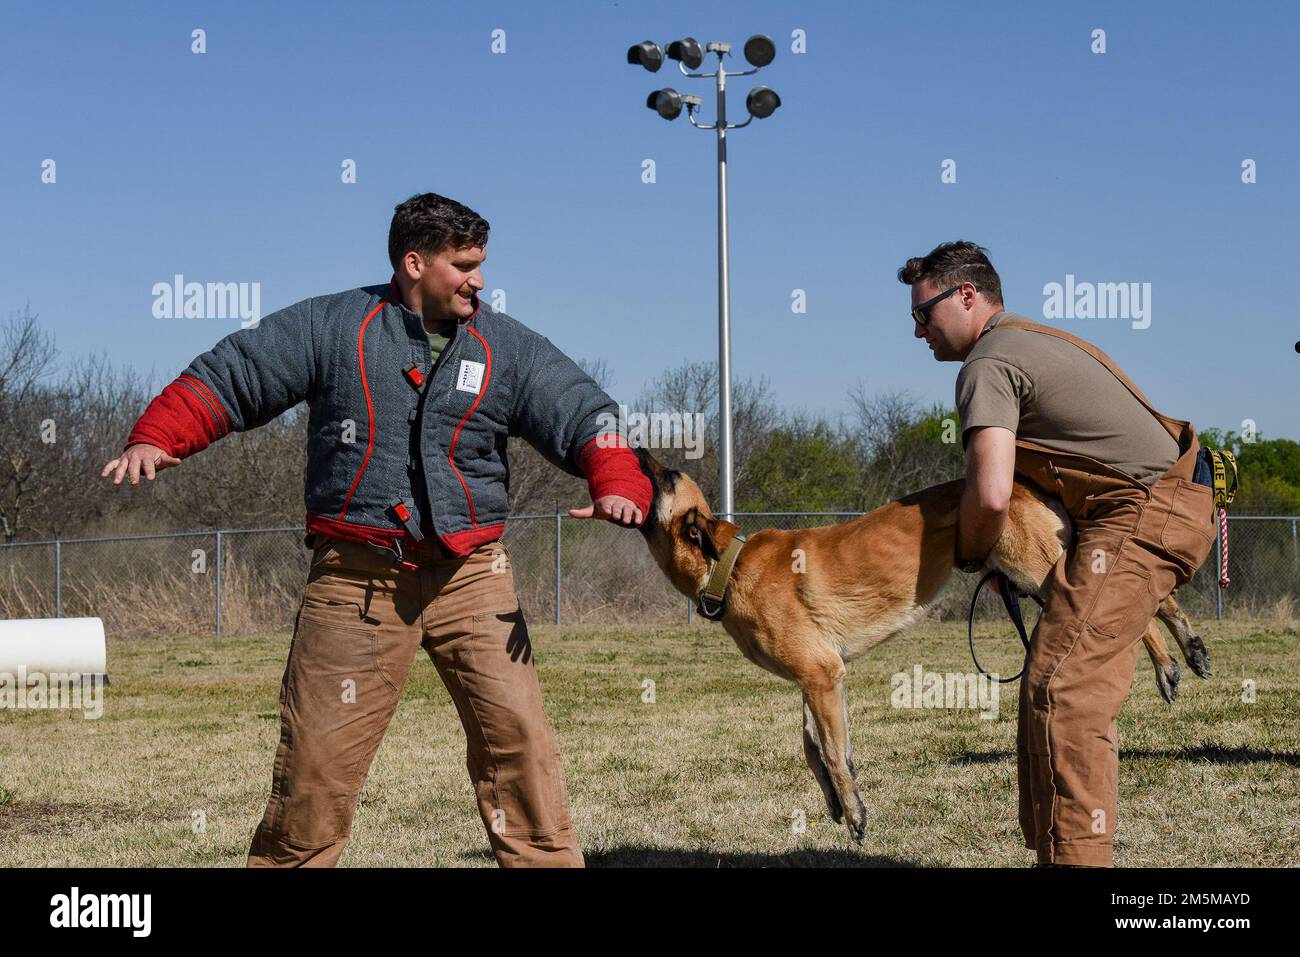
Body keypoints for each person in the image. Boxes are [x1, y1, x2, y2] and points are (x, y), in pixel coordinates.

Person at [103, 192, 652, 867]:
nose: (479, 279)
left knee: (521, 748)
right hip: (355, 581)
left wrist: (618, 482)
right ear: (414, 262)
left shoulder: (506, 346)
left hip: (473, 576)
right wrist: (160, 436)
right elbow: (237, 372)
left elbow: (581, 411)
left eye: (481, 264)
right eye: (464, 265)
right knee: (316, 767)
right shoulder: (333, 326)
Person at [898, 241, 1215, 867]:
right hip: (1150, 504)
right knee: (1051, 672)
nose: (918, 332)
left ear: (966, 296)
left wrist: (971, 554)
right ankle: (1056, 853)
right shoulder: (1032, 340)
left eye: (923, 314)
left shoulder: (988, 363)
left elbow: (988, 497)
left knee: (1066, 684)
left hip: (1146, 511)